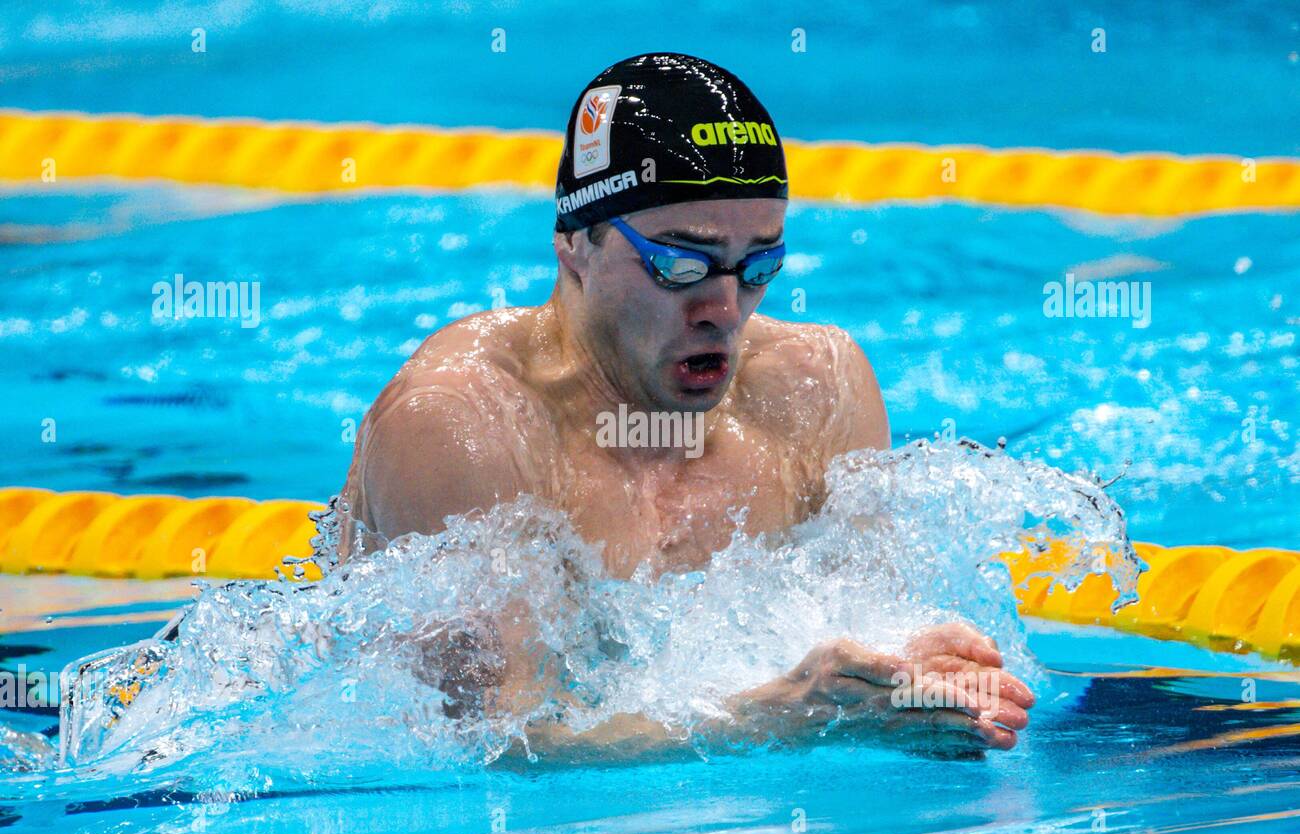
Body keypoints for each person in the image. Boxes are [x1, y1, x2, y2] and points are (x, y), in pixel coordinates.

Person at [338, 52, 1033, 759]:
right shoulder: (463, 425)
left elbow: (837, 645)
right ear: (577, 241)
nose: (724, 310)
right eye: (680, 266)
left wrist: (906, 672)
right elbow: (504, 750)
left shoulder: (819, 388)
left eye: (758, 266)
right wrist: (781, 717)